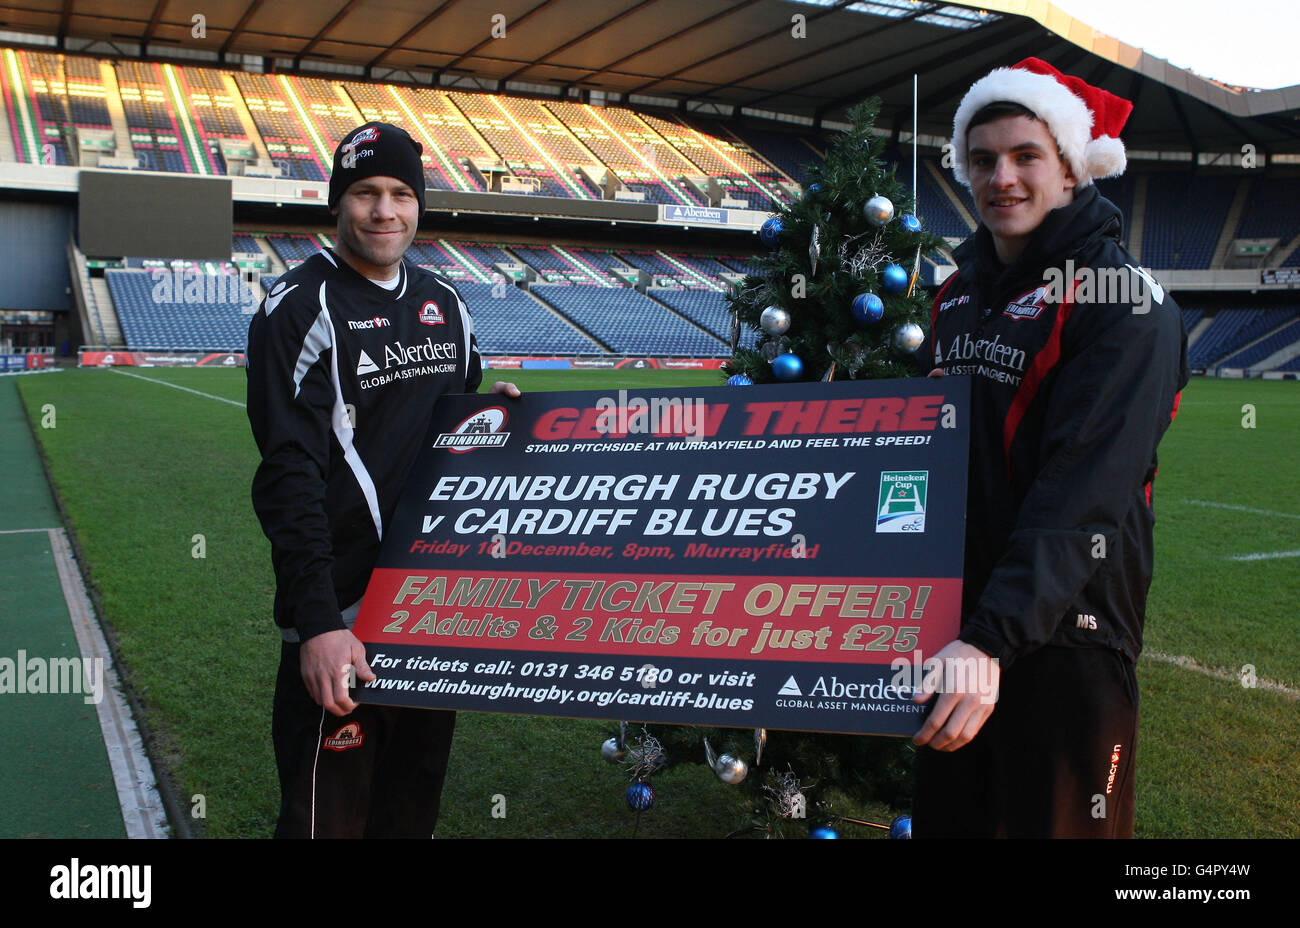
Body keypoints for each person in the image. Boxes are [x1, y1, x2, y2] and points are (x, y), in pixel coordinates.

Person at [910, 58, 1188, 837]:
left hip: (1068, 636)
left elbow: (1082, 497)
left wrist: (989, 638)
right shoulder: (956, 294)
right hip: (961, 631)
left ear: (1070, 167)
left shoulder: (1124, 299)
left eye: (1026, 155)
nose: (1002, 176)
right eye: (983, 157)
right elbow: (888, 433)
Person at [246, 121, 518, 838]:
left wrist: (499, 419)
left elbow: (450, 431)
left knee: (409, 812)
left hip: (428, 612)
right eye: (365, 193)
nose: (384, 211)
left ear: (419, 204)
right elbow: (287, 474)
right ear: (338, 203)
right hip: (342, 621)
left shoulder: (448, 306)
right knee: (325, 824)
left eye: (400, 193)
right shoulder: (299, 308)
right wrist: (317, 625)